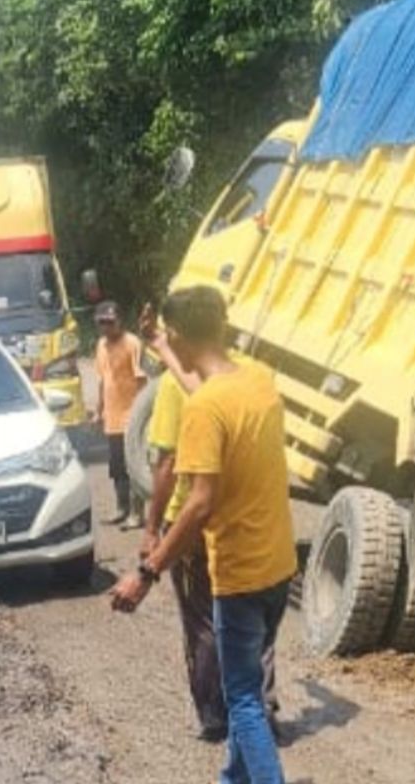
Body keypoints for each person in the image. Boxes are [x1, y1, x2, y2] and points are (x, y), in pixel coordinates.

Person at [111, 285, 296, 784]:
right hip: (279, 567)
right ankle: (234, 778)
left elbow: (198, 504)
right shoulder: (258, 381)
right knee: (248, 685)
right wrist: (164, 349)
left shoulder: (203, 411)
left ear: (177, 331)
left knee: (242, 699)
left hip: (239, 574)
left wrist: (146, 573)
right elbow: (205, 386)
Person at [140, 328, 279, 744]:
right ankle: (261, 707)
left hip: (193, 520)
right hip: (244, 518)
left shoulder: (171, 384)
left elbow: (166, 462)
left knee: (202, 621)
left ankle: (216, 717)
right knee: (251, 618)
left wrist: (152, 530)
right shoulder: (256, 373)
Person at [92, 301, 146, 527]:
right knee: (116, 468)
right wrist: (98, 411)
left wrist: (142, 415)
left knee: (134, 468)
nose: (106, 327)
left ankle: (136, 513)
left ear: (120, 321)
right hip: (112, 419)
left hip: (132, 417)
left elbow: (142, 380)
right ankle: (121, 508)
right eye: (101, 323)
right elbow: (102, 380)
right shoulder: (101, 345)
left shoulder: (132, 343)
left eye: (110, 322)